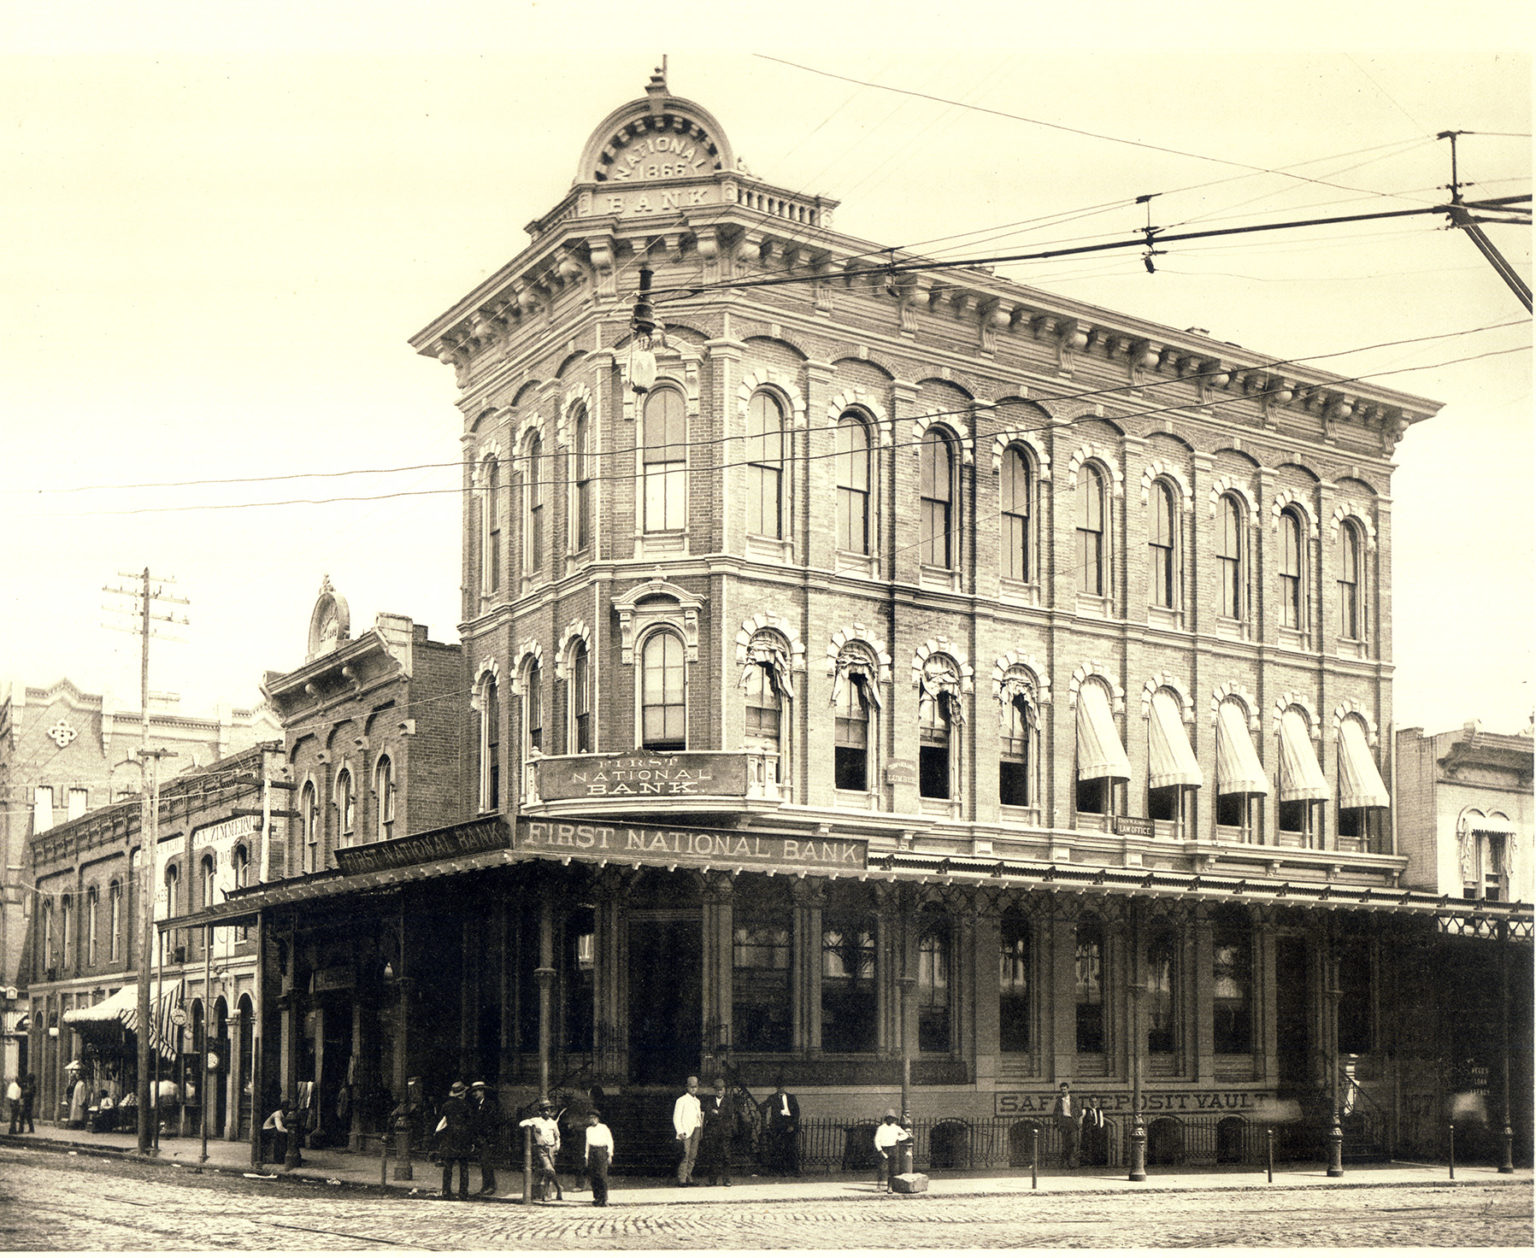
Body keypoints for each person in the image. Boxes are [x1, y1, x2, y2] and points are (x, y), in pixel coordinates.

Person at [435, 1080, 474, 1200]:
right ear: (462, 1094)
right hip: (463, 1139)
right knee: (464, 1167)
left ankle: (446, 1191)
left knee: (448, 1167)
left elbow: (442, 1120)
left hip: (449, 1138)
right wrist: (471, 1140)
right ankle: (463, 1193)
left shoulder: (446, 1105)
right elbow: (470, 1123)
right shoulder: (466, 1105)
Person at [519, 1098, 563, 1202]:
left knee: (548, 1172)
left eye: (548, 1110)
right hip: (541, 1149)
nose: (546, 1112)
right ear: (540, 1112)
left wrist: (557, 1146)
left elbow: (557, 1137)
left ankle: (548, 1193)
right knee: (549, 1169)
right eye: (544, 1110)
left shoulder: (553, 1123)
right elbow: (522, 1123)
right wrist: (530, 1125)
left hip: (551, 1148)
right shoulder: (536, 1120)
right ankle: (558, 1187)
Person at [700, 1076, 734, 1187]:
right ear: (715, 1090)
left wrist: (717, 1112)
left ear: (724, 1089)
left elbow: (728, 1113)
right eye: (717, 1089)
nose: (719, 1091)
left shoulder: (729, 1101)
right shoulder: (710, 1100)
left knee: (726, 1156)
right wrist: (718, 1113)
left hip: (725, 1132)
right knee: (713, 1155)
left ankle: (726, 1179)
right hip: (713, 1132)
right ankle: (712, 1180)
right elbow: (708, 1113)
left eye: (721, 1089)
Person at [761, 1078, 800, 1175]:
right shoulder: (772, 1098)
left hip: (789, 1125)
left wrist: (792, 1125)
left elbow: (796, 1112)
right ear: (776, 1088)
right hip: (778, 1126)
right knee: (778, 1148)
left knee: (791, 1148)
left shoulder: (791, 1097)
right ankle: (780, 1170)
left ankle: (794, 1170)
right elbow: (763, 1106)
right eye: (779, 1087)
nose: (780, 1089)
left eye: (782, 1087)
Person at [469, 1081, 501, 1196]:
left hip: (487, 1139)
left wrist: (488, 1138)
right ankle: (485, 1186)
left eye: (476, 1091)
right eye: (473, 1092)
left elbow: (491, 1123)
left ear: (482, 1091)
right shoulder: (478, 1105)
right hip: (481, 1139)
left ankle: (490, 1186)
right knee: (483, 1163)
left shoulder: (489, 1105)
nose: (474, 1094)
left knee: (487, 1163)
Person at [671, 1075, 701, 1187]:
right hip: (686, 1131)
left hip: (696, 1130)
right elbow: (676, 1117)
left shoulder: (697, 1101)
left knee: (693, 1155)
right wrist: (680, 1131)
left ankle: (689, 1176)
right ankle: (682, 1179)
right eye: (691, 1087)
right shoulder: (681, 1100)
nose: (693, 1089)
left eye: (695, 1086)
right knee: (685, 1155)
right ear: (687, 1087)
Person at [873, 1110, 911, 1192]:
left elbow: (905, 1135)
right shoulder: (881, 1128)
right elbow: (877, 1140)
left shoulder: (896, 1128)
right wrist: (880, 1150)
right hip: (884, 1149)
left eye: (892, 1118)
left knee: (893, 1169)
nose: (891, 1120)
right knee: (882, 1168)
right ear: (886, 1119)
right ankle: (879, 1186)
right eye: (889, 1118)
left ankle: (890, 1187)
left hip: (893, 1149)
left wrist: (898, 1138)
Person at [584, 1109, 614, 1207]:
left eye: (594, 1118)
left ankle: (604, 1198)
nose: (592, 1120)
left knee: (602, 1175)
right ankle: (597, 1198)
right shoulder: (588, 1130)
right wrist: (586, 1156)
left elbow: (610, 1141)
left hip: (601, 1151)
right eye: (590, 1118)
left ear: (597, 1119)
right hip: (592, 1151)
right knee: (593, 1176)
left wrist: (610, 1154)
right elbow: (587, 1143)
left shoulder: (603, 1128)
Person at [1052, 1081, 1079, 1169]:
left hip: (1071, 1121)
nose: (1063, 1091)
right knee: (1065, 1143)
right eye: (1061, 1090)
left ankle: (1071, 1162)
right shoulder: (1059, 1100)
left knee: (1072, 1142)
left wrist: (1077, 1120)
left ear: (1068, 1089)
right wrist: (1056, 1121)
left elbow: (1079, 1111)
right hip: (1064, 1122)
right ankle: (1066, 1162)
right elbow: (1055, 1112)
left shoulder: (1074, 1099)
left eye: (1064, 1089)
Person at [260, 1098, 294, 1166]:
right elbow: (279, 1128)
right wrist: (289, 1131)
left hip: (274, 1129)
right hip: (267, 1129)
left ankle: (289, 1155)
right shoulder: (278, 1114)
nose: (288, 1110)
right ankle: (279, 1158)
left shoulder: (287, 1114)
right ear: (283, 1107)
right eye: (287, 1108)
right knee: (281, 1135)